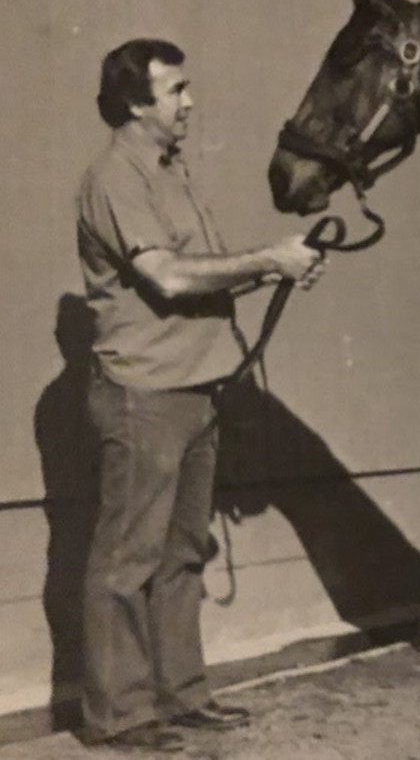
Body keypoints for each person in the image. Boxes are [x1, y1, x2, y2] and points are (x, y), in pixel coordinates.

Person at [75, 38, 326, 752]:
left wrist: (275, 267)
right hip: (143, 394)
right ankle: (119, 718)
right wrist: (266, 260)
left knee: (183, 553)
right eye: (176, 90)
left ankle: (180, 697)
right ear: (134, 101)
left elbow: (204, 270)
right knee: (127, 561)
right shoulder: (116, 177)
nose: (190, 102)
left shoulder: (169, 171)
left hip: (195, 390)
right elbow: (173, 279)